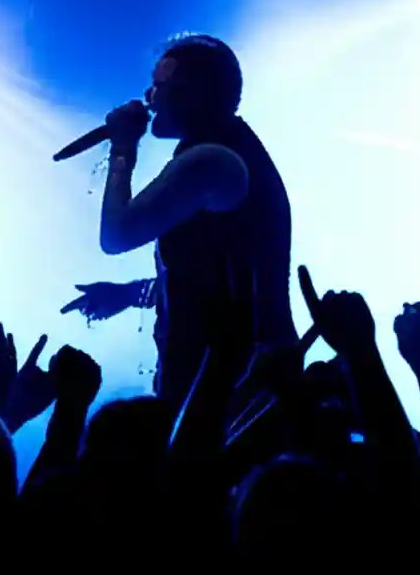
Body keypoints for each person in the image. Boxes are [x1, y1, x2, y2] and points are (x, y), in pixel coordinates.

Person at [61, 34, 297, 413]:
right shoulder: (227, 152)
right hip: (228, 388)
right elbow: (210, 282)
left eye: (159, 85)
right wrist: (128, 294)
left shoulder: (213, 161)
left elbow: (116, 235)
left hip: (232, 396)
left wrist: (123, 148)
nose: (148, 96)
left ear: (191, 93)